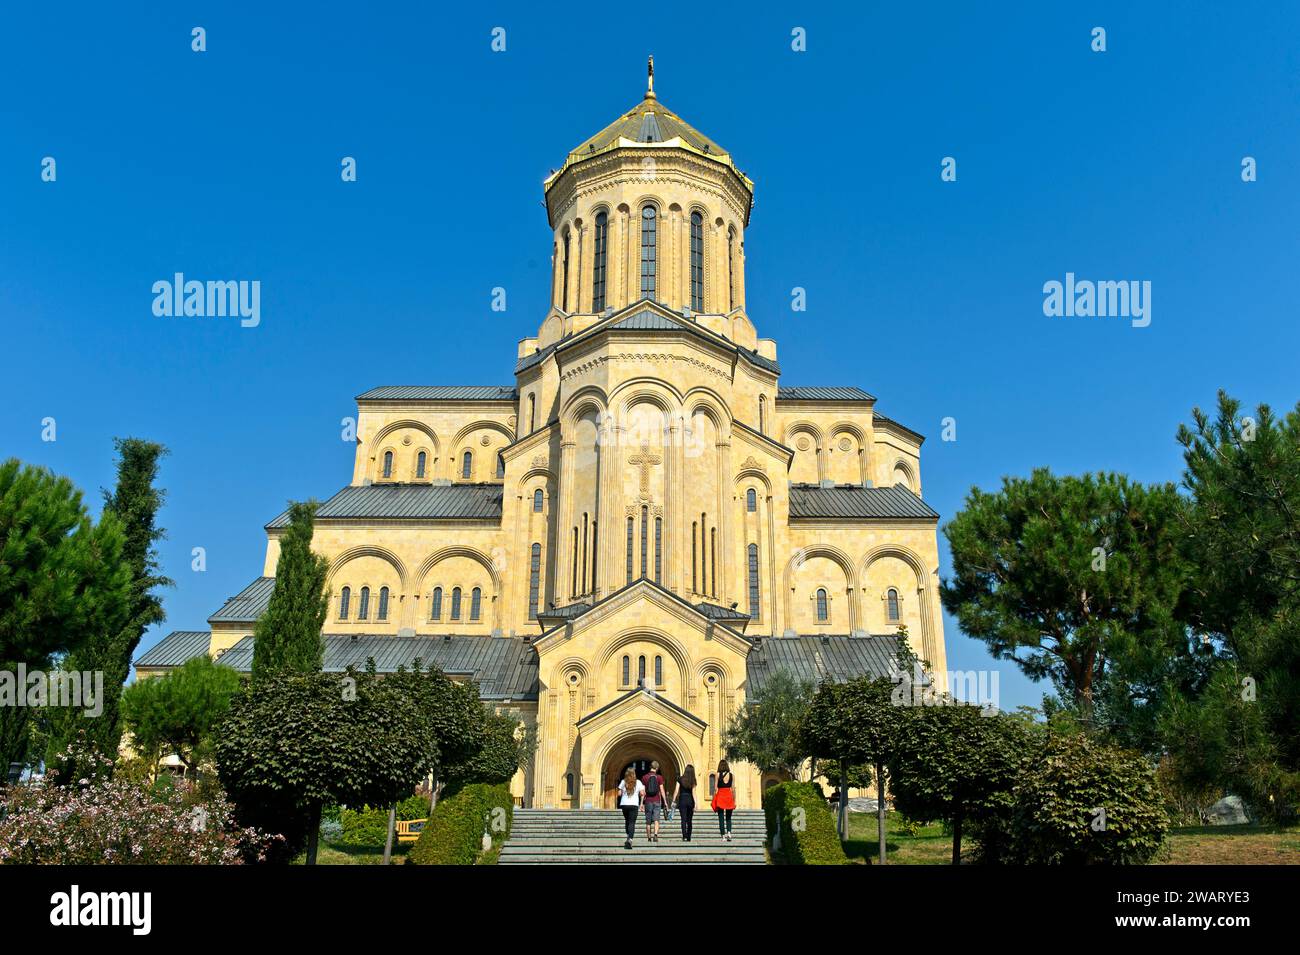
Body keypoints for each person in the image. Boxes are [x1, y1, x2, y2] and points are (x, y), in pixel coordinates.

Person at [617, 766, 644, 849]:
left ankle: (628, 836)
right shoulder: (638, 782)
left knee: (627, 821)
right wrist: (641, 804)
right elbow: (642, 793)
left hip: (624, 804)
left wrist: (623, 791)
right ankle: (630, 840)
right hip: (634, 804)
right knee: (632, 822)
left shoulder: (623, 781)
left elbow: (619, 794)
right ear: (634, 774)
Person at [641, 760, 668, 843]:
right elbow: (662, 790)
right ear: (657, 768)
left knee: (648, 821)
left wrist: (641, 803)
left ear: (650, 767)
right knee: (656, 819)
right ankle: (655, 835)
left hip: (648, 801)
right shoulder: (659, 777)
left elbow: (643, 792)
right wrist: (665, 802)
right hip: (657, 801)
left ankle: (649, 837)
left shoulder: (645, 777)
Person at [671, 764, 697, 841]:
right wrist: (696, 804)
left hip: (682, 799)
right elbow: (694, 793)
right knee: (689, 820)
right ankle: (689, 836)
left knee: (683, 819)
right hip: (690, 800)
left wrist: (673, 801)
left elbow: (676, 790)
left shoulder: (680, 779)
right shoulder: (693, 780)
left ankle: (684, 836)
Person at [712, 759, 736, 841]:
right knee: (729, 817)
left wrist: (713, 799)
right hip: (729, 796)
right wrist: (734, 800)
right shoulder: (732, 775)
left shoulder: (717, 775)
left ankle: (723, 836)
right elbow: (733, 789)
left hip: (720, 796)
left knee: (721, 817)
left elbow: (715, 789)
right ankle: (729, 833)